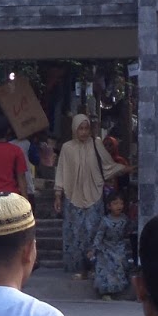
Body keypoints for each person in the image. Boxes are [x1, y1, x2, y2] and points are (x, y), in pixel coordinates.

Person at [55, 114, 123, 279]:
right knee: (75, 234)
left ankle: (94, 268)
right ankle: (76, 269)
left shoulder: (96, 144)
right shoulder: (67, 148)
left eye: (86, 129)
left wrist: (125, 168)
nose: (84, 132)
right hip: (72, 197)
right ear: (74, 129)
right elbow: (61, 171)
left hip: (94, 196)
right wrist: (58, 194)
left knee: (93, 232)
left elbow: (108, 165)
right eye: (81, 129)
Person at [88, 192, 133, 300]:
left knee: (121, 260)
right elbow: (99, 236)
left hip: (119, 246)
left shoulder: (125, 219)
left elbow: (127, 232)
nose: (119, 206)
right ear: (109, 206)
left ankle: (118, 288)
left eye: (121, 203)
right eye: (115, 203)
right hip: (106, 247)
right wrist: (94, 249)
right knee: (106, 263)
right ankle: (106, 292)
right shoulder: (105, 221)